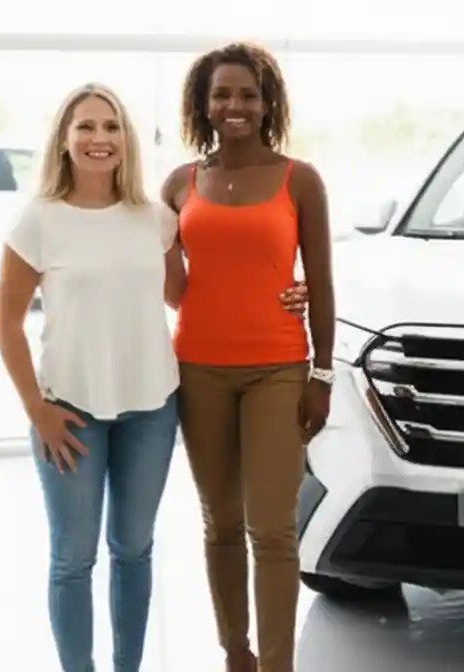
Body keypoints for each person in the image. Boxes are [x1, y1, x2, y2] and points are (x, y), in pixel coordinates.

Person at [0, 82, 305, 672]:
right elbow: (6, 324)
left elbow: (197, 289)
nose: (100, 138)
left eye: (111, 126)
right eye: (86, 126)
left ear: (127, 139)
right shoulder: (38, 220)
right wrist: (36, 409)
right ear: (63, 139)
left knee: (134, 550)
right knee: (73, 558)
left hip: (151, 410)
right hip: (69, 411)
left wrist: (290, 291)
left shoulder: (155, 218)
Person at [163, 41, 335, 672]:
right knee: (220, 522)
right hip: (197, 369)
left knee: (272, 527)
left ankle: (277, 665)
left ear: (267, 104)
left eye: (247, 94)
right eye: (221, 94)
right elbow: (177, 292)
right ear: (202, 104)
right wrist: (163, 249)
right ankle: (236, 652)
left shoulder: (300, 179)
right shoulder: (179, 184)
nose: (233, 105)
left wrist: (322, 372)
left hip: (278, 369)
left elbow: (321, 281)